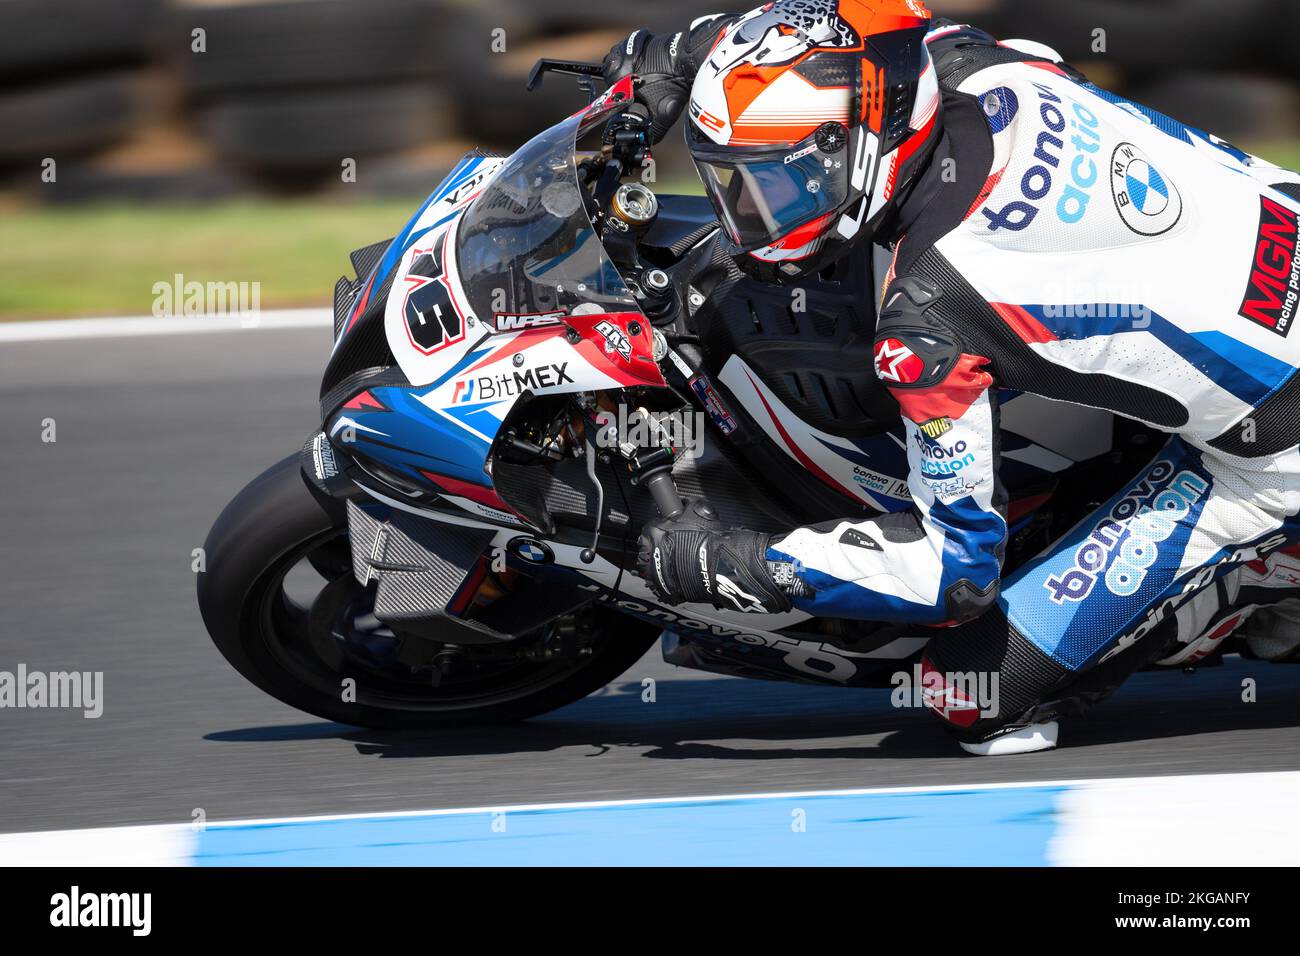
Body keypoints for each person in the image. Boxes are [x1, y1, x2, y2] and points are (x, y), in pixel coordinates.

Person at [606, 1, 1300, 754]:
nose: (749, 216)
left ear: (864, 142)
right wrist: (670, 63)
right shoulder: (966, 61)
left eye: (780, 185)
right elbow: (823, 26)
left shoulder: (931, 319)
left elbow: (952, 575)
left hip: (1272, 463)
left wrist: (737, 563)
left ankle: (1268, 581)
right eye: (730, 182)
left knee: (970, 694)